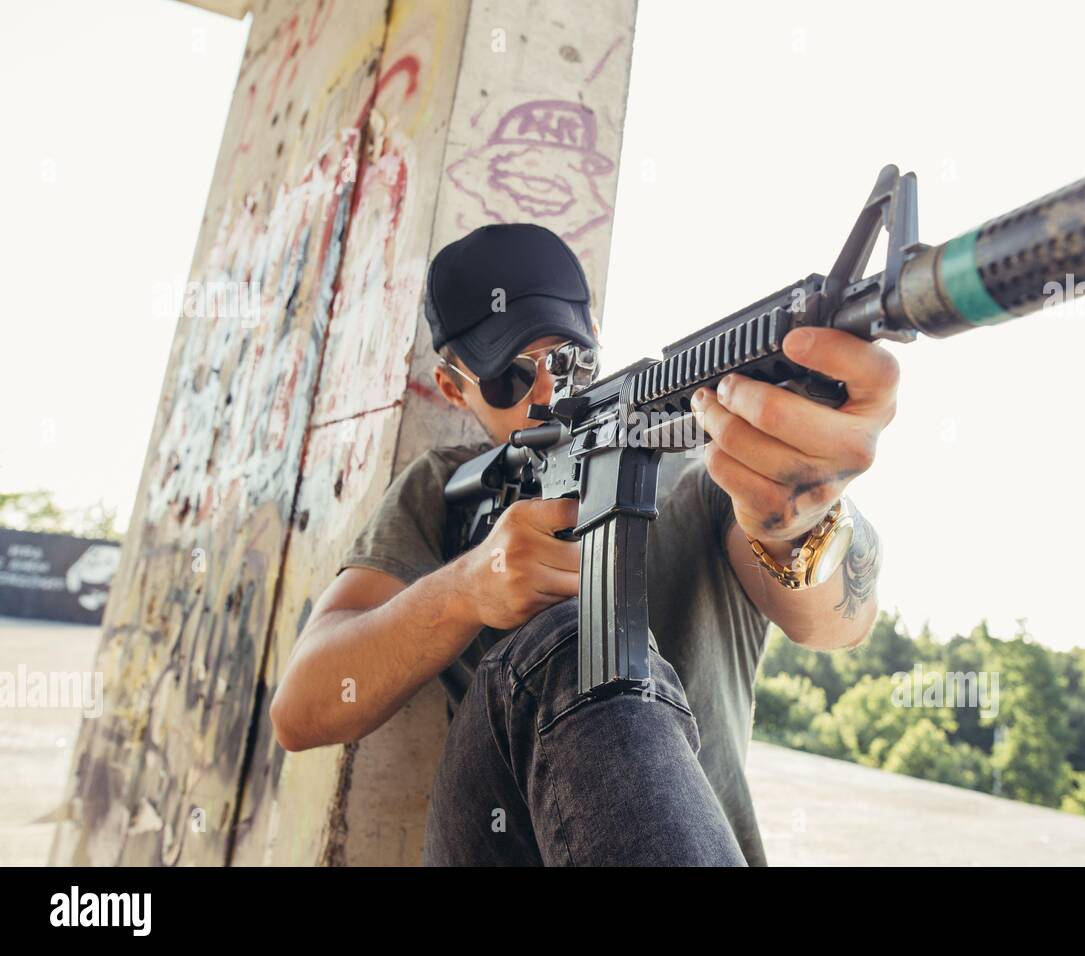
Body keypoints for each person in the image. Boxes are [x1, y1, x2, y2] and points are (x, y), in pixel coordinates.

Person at [269, 222, 898, 865]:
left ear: (595, 341)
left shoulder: (717, 474)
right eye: (509, 379)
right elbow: (301, 709)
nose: (547, 393)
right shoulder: (441, 492)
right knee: (571, 642)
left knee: (585, 640)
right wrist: (464, 591)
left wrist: (798, 521)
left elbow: (840, 625)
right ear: (454, 386)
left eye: (568, 360)